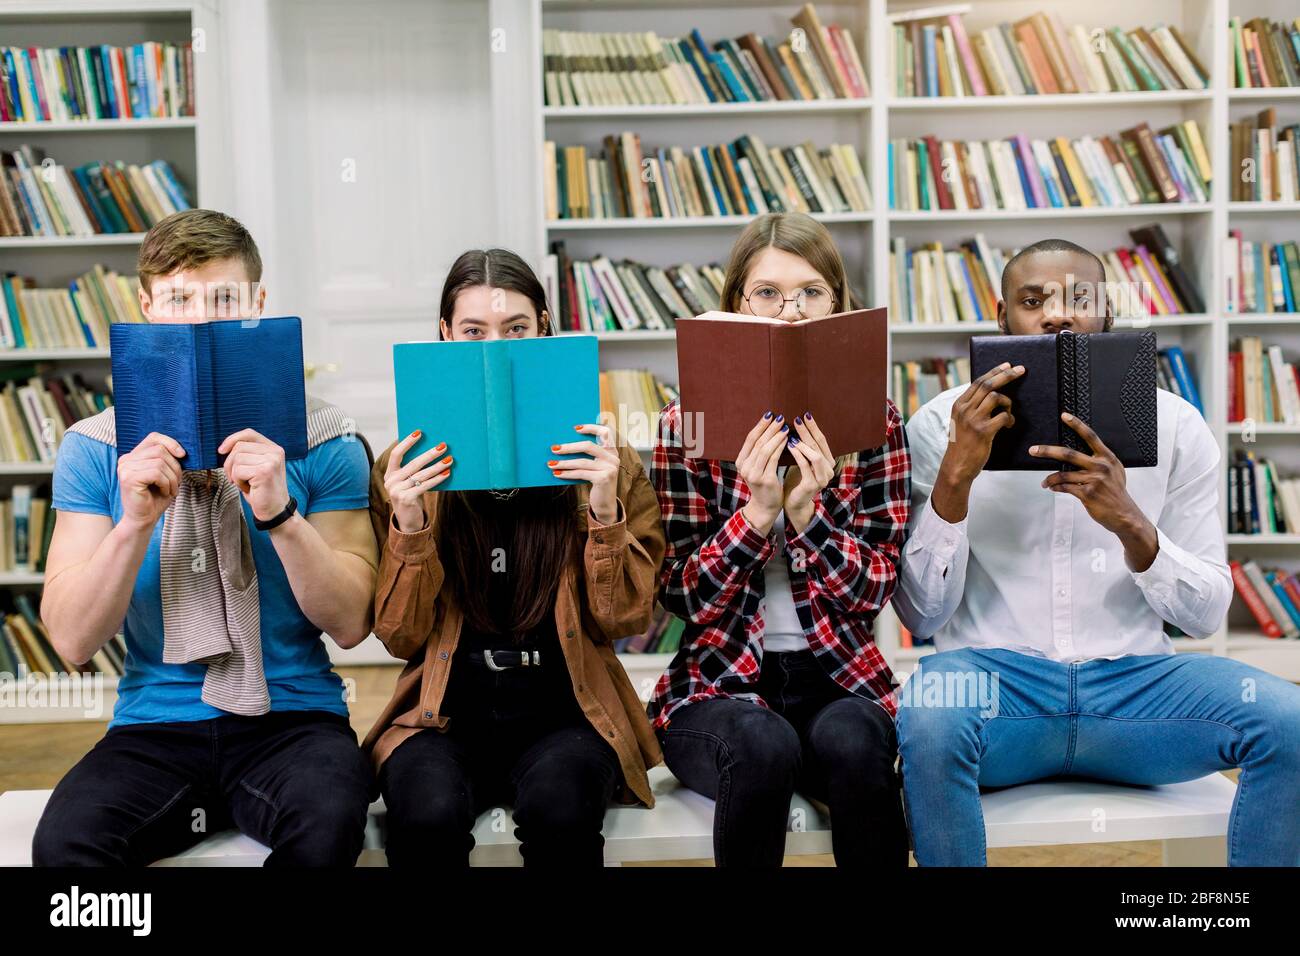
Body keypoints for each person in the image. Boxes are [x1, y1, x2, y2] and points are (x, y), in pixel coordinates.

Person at [894, 237, 1300, 866]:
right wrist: (955, 478)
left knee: (1289, 720)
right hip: (997, 689)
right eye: (1034, 301)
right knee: (929, 712)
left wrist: (1132, 523)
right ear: (1002, 315)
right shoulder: (940, 425)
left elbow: (1205, 613)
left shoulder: (1174, 425)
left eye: (1079, 299)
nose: (1058, 315)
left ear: (1107, 313)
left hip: (1138, 690)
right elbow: (921, 617)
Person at [33, 209, 378, 866]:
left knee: (329, 827)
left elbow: (354, 622)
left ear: (259, 303)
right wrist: (135, 522)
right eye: (179, 300)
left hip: (294, 720)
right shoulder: (94, 448)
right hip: (153, 725)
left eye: (223, 299)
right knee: (65, 849)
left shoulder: (327, 440)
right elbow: (73, 639)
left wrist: (280, 514)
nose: (199, 319)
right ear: (146, 307)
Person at [363, 248, 666, 868]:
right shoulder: (400, 469)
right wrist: (412, 522)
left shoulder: (607, 463)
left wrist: (603, 510)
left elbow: (627, 620)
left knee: (561, 810)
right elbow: (399, 637)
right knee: (425, 816)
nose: (494, 346)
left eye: (516, 330)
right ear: (444, 335)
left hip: (566, 709)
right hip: (445, 711)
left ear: (544, 331)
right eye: (473, 332)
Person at [649, 212, 911, 867]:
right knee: (763, 745)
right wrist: (757, 516)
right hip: (715, 687)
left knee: (857, 746)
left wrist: (809, 519)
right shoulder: (686, 424)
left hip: (838, 679)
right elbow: (681, 598)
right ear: (737, 305)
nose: (790, 312)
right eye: (767, 293)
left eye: (811, 292)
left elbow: (876, 586)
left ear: (838, 305)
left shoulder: (875, 420)